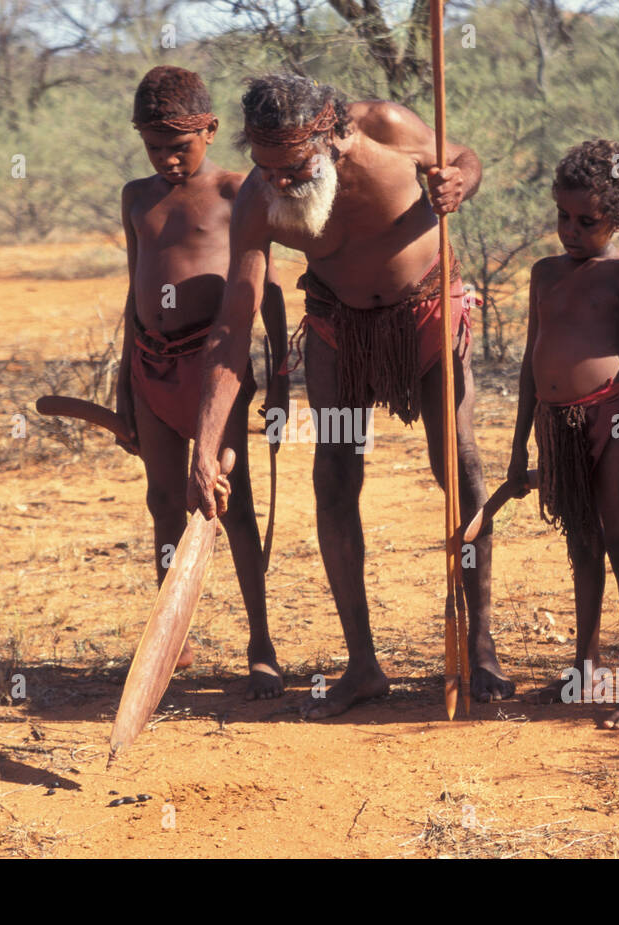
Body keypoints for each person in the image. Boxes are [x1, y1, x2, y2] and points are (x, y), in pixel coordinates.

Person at [187, 74, 514, 717]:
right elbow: (234, 322)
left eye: (294, 167)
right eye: (266, 167)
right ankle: (362, 664)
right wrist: (205, 443)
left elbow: (464, 157)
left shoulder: (388, 128)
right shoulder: (259, 198)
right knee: (333, 475)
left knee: (460, 464)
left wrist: (460, 181)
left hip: (426, 312)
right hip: (338, 329)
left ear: (337, 136)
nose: (280, 182)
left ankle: (480, 645)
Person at [118, 65, 287, 699]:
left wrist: (280, 374)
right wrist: (122, 381)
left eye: (179, 146)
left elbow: (265, 288)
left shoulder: (237, 192)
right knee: (163, 503)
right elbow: (132, 290)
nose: (165, 159)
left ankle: (261, 643)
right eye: (153, 146)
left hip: (215, 368)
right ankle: (173, 640)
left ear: (211, 131)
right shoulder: (136, 197)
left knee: (230, 506)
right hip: (148, 363)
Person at [508, 140, 619, 728]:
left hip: (611, 421)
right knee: (579, 542)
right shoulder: (544, 274)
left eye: (587, 221)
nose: (570, 230)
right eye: (562, 217)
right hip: (556, 427)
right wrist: (521, 440)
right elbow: (530, 359)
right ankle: (585, 666)